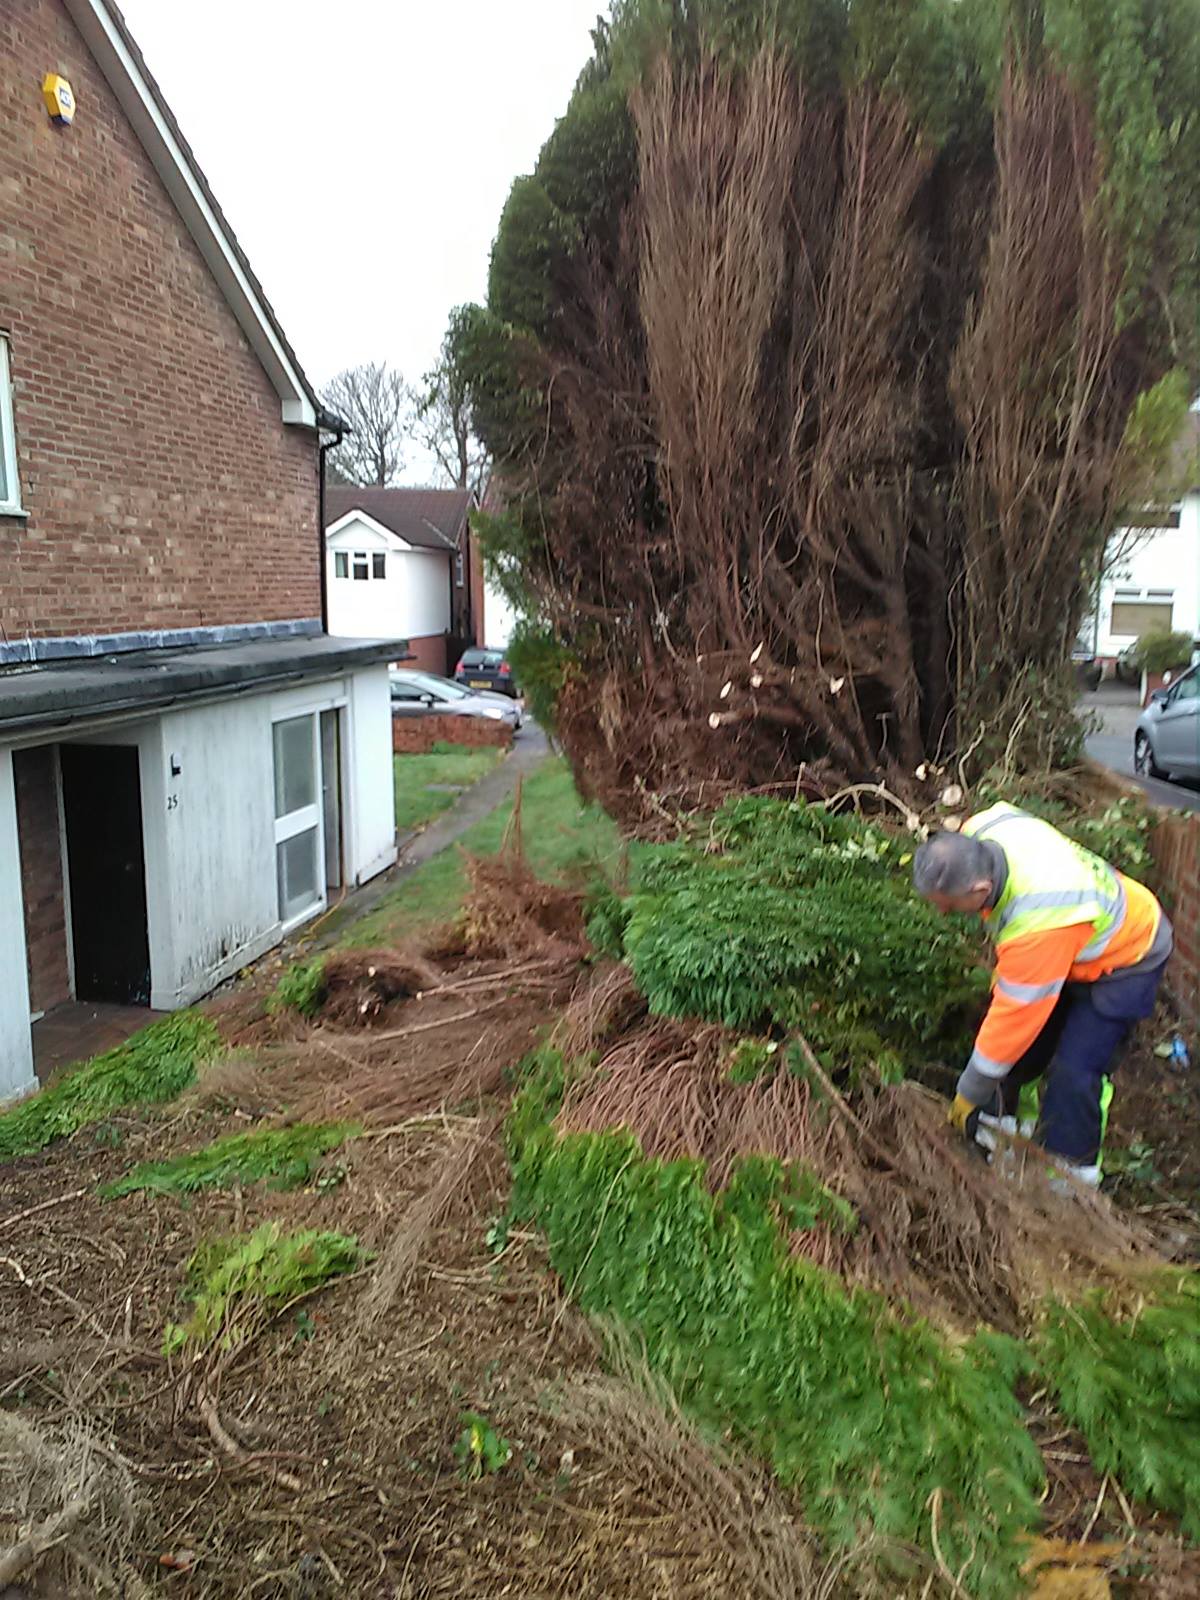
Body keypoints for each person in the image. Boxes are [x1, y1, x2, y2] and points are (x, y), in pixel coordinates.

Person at [911, 802, 1172, 1184]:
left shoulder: (1039, 918)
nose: (946, 914)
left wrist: (969, 1093)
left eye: (950, 905)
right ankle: (1004, 1141)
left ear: (981, 888)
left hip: (1130, 956)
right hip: (1074, 941)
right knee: (1019, 1052)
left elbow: (1011, 1023)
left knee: (1075, 1069)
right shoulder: (986, 826)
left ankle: (1069, 1183)